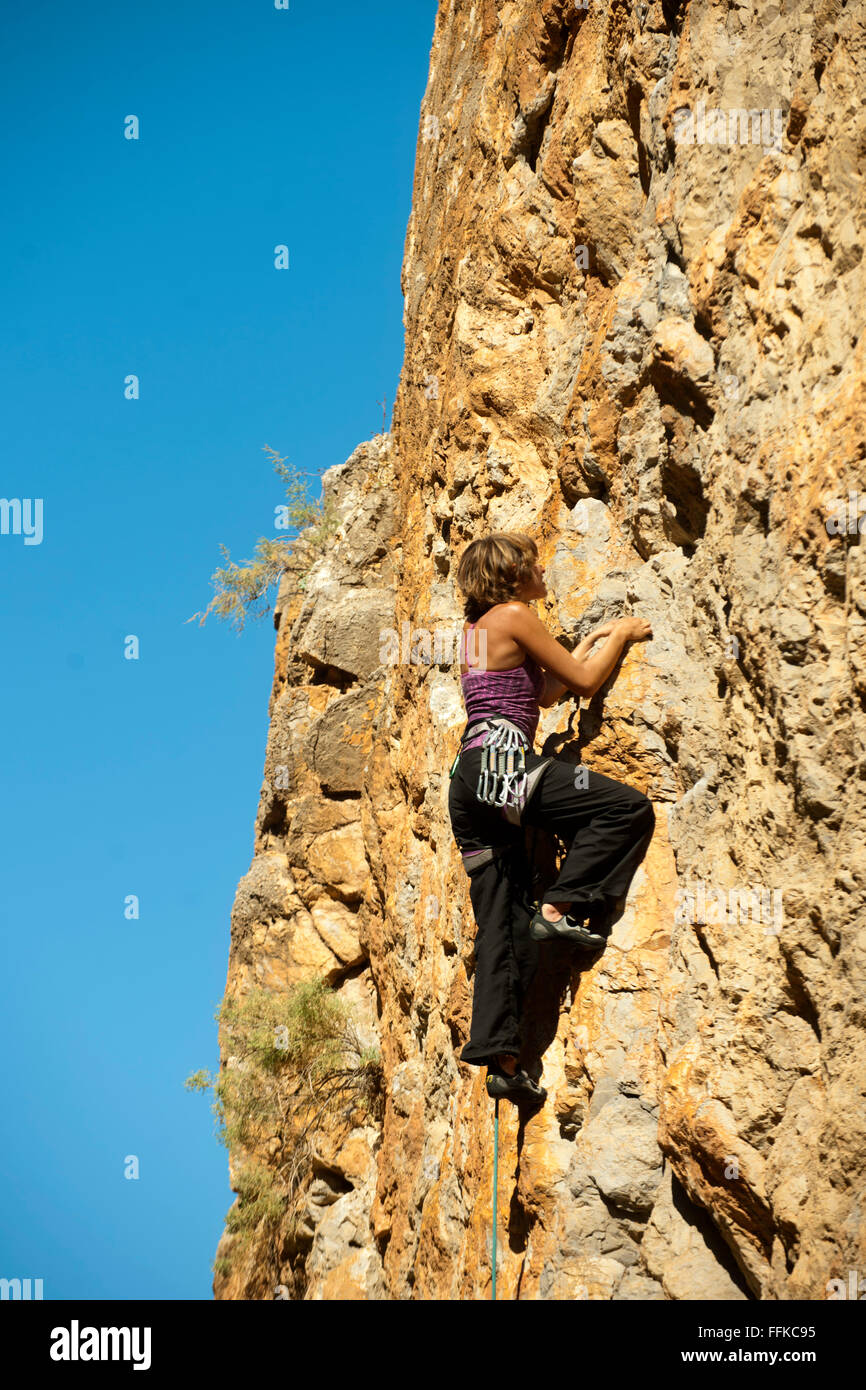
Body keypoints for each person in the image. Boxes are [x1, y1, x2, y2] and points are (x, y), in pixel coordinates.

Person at [447, 531, 655, 1106]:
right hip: (502, 765)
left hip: (469, 783)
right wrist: (623, 635)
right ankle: (564, 904)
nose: (543, 570)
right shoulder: (515, 613)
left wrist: (584, 645)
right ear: (512, 575)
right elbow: (586, 685)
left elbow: (542, 694)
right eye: (533, 564)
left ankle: (503, 1060)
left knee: (501, 923)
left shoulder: (477, 631)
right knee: (624, 807)